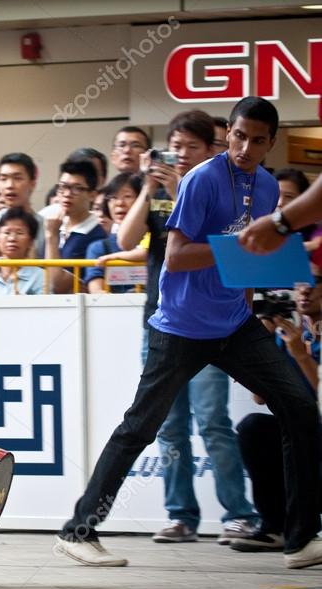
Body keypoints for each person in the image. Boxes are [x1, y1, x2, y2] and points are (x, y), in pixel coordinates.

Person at [54, 97, 322, 570]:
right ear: (229, 133)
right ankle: (78, 532)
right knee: (140, 427)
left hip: (236, 324)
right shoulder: (201, 179)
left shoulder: (265, 185)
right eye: (239, 136)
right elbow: (176, 257)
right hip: (180, 326)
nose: (245, 148)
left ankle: (300, 538)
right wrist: (238, 246)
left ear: (271, 143)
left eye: (257, 140)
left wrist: (250, 319)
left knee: (300, 406)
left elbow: (248, 263)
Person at [118, 109, 258, 545]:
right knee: (168, 424)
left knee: (213, 420)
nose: (179, 155)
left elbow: (221, 245)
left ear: (211, 150)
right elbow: (125, 240)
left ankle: (240, 514)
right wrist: (148, 188)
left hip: (210, 323)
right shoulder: (156, 192)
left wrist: (181, 189)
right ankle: (181, 515)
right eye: (174, 146)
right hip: (161, 322)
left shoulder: (219, 191)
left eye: (190, 147)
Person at [233, 276, 321, 552]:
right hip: (303, 429)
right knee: (254, 427)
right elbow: (260, 398)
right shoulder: (290, 333)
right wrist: (262, 347)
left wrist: (302, 357)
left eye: (315, 282)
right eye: (300, 284)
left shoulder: (300, 341)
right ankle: (276, 526)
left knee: (300, 432)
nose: (305, 290)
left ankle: (303, 531)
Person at [43, 160, 107, 293]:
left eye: (77, 188)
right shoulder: (57, 223)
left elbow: (56, 285)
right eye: (63, 187)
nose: (67, 194)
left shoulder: (96, 235)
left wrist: (51, 236)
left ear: (92, 195)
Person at [84, 173, 146, 294]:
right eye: (113, 197)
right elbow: (96, 289)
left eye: (127, 196)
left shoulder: (158, 239)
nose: (119, 203)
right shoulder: (99, 248)